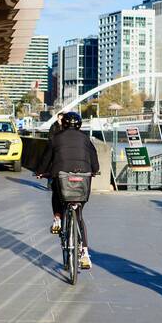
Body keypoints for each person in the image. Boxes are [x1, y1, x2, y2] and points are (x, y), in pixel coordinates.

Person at [36, 111, 98, 270]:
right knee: (79, 215)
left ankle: (57, 218)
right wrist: (95, 170)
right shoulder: (85, 138)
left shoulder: (56, 138)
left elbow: (46, 158)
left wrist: (40, 171)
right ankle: (84, 253)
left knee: (57, 193)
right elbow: (94, 156)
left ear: (63, 124)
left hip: (62, 175)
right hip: (83, 176)